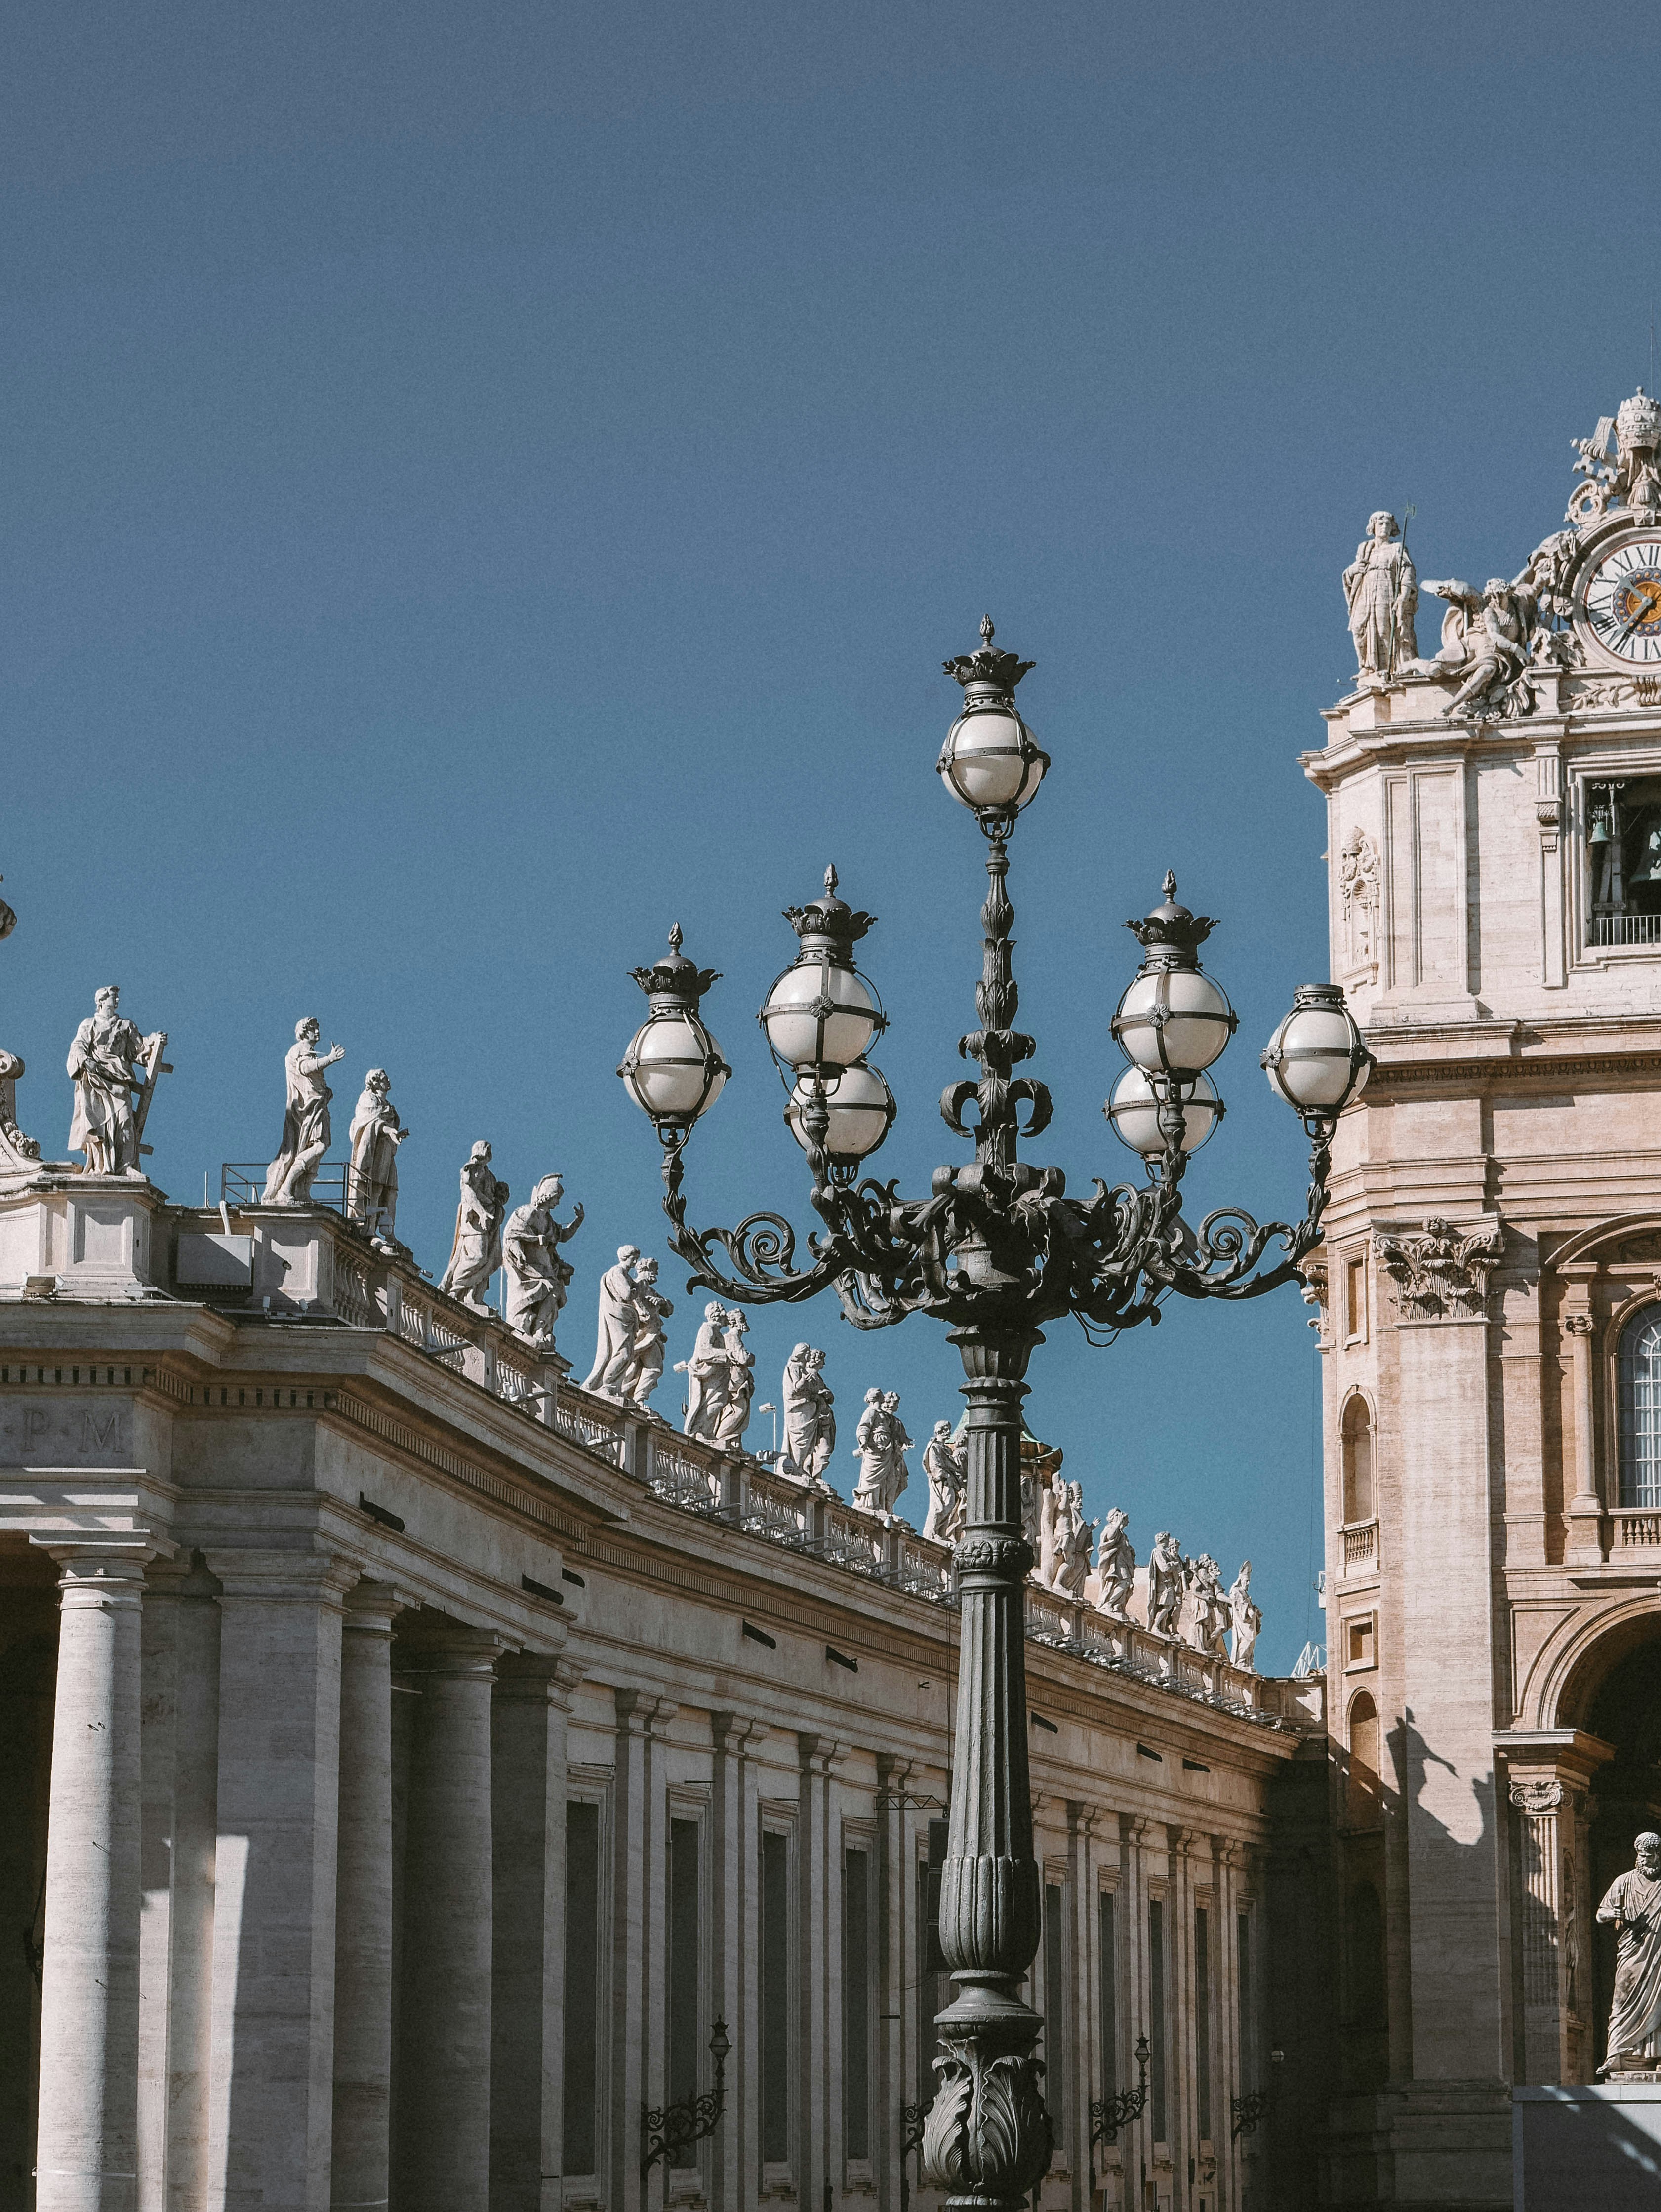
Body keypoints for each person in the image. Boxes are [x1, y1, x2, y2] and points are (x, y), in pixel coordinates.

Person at [67, 986, 160, 1178]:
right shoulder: (89, 1024)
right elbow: (78, 1046)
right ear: (101, 1001)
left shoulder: (126, 1026)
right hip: (96, 1080)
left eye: (117, 998)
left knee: (126, 1120)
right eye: (113, 998)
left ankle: (126, 1166)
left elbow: (140, 1049)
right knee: (100, 1124)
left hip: (120, 1080)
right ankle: (101, 1166)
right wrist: (85, 1060)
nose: (117, 1001)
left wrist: (155, 1041)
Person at [263, 1017, 346, 1205]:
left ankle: (302, 1191)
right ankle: (286, 1188)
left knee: (318, 1147)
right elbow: (305, 1068)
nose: (318, 1032)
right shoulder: (300, 1049)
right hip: (310, 1107)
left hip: (318, 1104)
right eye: (314, 1029)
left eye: (318, 1028)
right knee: (319, 1146)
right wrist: (330, 1059)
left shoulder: (309, 1051)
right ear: (304, 1031)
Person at [1598, 1833, 1661, 2074]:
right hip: (1632, 1953)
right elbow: (1600, 1914)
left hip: (1659, 1954)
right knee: (1622, 1999)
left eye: (1652, 1856)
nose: (1648, 1860)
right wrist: (1613, 1914)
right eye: (1643, 1856)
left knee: (1659, 2001)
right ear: (1637, 1855)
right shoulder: (1623, 1882)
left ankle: (1657, 2057)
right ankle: (1617, 2053)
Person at [500, 1173, 583, 1346]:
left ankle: (540, 1328)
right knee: (542, 1291)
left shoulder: (549, 1220)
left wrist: (578, 1221)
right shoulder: (528, 1212)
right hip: (528, 1267)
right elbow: (511, 1235)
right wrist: (520, 1252)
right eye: (556, 1198)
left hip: (545, 1266)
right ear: (547, 1195)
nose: (558, 1202)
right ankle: (525, 1326)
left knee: (554, 1292)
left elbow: (564, 1235)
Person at [1343, 511, 1418, 682]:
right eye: (1381, 524)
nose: (1385, 527)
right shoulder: (1364, 548)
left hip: (1385, 589)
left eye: (1388, 525)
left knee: (1384, 627)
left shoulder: (1397, 548)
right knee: (1359, 628)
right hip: (1366, 590)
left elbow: (1407, 572)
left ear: (1393, 529)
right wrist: (1353, 570)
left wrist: (1404, 595)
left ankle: (1387, 669)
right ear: (1373, 527)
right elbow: (1350, 573)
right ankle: (1366, 666)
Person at [440, 1141, 509, 1312]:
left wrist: (494, 1209)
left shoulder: (490, 1176)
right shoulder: (471, 1169)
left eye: (490, 1148)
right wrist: (482, 1212)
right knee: (477, 1257)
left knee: (491, 1259)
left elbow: (495, 1197)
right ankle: (455, 1290)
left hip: (489, 1222)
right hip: (474, 1220)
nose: (489, 1150)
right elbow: (469, 1193)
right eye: (486, 1147)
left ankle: (473, 1296)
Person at [346, 1069, 408, 1247]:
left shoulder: (387, 1104)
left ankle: (388, 1230)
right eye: (384, 1078)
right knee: (373, 1187)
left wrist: (395, 1133)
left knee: (388, 1191)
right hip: (374, 1152)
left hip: (386, 1150)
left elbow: (384, 1123)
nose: (388, 1080)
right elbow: (370, 1122)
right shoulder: (368, 1099)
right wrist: (389, 1131)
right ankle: (369, 1230)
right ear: (375, 1082)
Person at [585, 1247, 642, 1397]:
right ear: (625, 1257)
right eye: (633, 1258)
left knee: (628, 1354)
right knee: (622, 1353)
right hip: (619, 1315)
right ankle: (607, 1386)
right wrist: (637, 1290)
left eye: (637, 1258)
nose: (635, 1262)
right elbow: (627, 1294)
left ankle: (613, 1385)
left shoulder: (626, 1275)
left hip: (626, 1317)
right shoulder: (618, 1272)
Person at [677, 1303, 730, 1440]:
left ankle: (707, 1431)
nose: (726, 1315)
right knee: (713, 1401)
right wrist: (728, 1354)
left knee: (719, 1401)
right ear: (718, 1314)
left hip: (717, 1375)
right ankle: (699, 1430)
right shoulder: (708, 1328)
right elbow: (704, 1352)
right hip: (707, 1375)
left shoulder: (718, 1333)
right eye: (723, 1311)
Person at [711, 1309, 755, 1451]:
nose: (745, 1322)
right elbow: (744, 1358)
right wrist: (751, 1357)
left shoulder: (736, 1339)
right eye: (742, 1319)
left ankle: (733, 1441)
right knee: (737, 1411)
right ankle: (722, 1439)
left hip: (740, 1381)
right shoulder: (731, 1338)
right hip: (733, 1382)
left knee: (738, 1411)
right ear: (734, 1322)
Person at [921, 1422, 965, 1545]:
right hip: (940, 1482)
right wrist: (946, 1475)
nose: (949, 1433)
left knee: (949, 1506)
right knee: (940, 1507)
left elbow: (954, 1468)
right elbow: (934, 1466)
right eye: (947, 1430)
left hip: (949, 1482)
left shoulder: (945, 1448)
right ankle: (932, 1534)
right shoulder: (934, 1447)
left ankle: (941, 1533)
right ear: (940, 1431)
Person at [1094, 1508, 1135, 1619]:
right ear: (1112, 1518)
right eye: (1117, 1515)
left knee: (1126, 1584)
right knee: (1122, 1582)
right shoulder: (1109, 1528)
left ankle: (1117, 1605)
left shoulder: (1122, 1533)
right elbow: (1110, 1537)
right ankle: (1108, 1603)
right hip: (1114, 1562)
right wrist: (1118, 1524)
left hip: (1122, 1562)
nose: (1120, 1517)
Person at [1227, 1560, 1261, 1671]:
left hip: (1249, 1622)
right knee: (1246, 1639)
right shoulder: (1237, 1591)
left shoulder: (1245, 1593)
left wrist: (1255, 1611)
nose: (1248, 1583)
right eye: (1246, 1581)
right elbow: (1238, 1604)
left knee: (1251, 1640)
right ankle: (1241, 1661)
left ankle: (1246, 1661)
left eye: (1249, 1582)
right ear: (1241, 1580)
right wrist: (1248, 1610)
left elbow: (1248, 1605)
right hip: (1242, 1622)